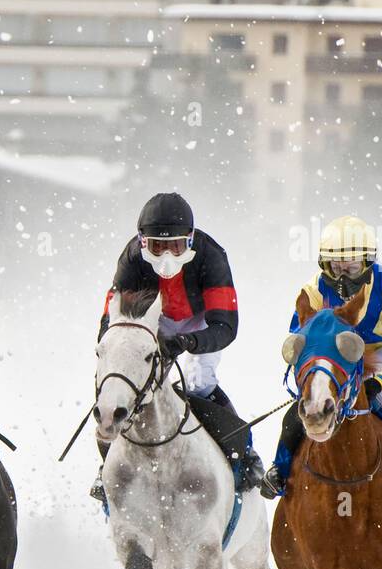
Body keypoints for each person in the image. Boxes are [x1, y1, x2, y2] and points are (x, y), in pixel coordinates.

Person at [92, 192, 264, 503]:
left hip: (201, 322)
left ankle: (244, 455)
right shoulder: (131, 260)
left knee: (200, 381)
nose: (167, 256)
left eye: (176, 246)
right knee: (126, 386)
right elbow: (112, 323)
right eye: (158, 246)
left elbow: (225, 327)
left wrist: (188, 342)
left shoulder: (212, 256)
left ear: (191, 239)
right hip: (152, 321)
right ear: (143, 242)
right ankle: (107, 467)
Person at [259, 215, 382, 498]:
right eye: (335, 267)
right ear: (324, 265)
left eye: (352, 267)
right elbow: (299, 346)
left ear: (367, 263)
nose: (342, 276)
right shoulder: (313, 290)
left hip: (377, 353)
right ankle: (280, 468)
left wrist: (379, 382)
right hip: (333, 358)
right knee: (307, 400)